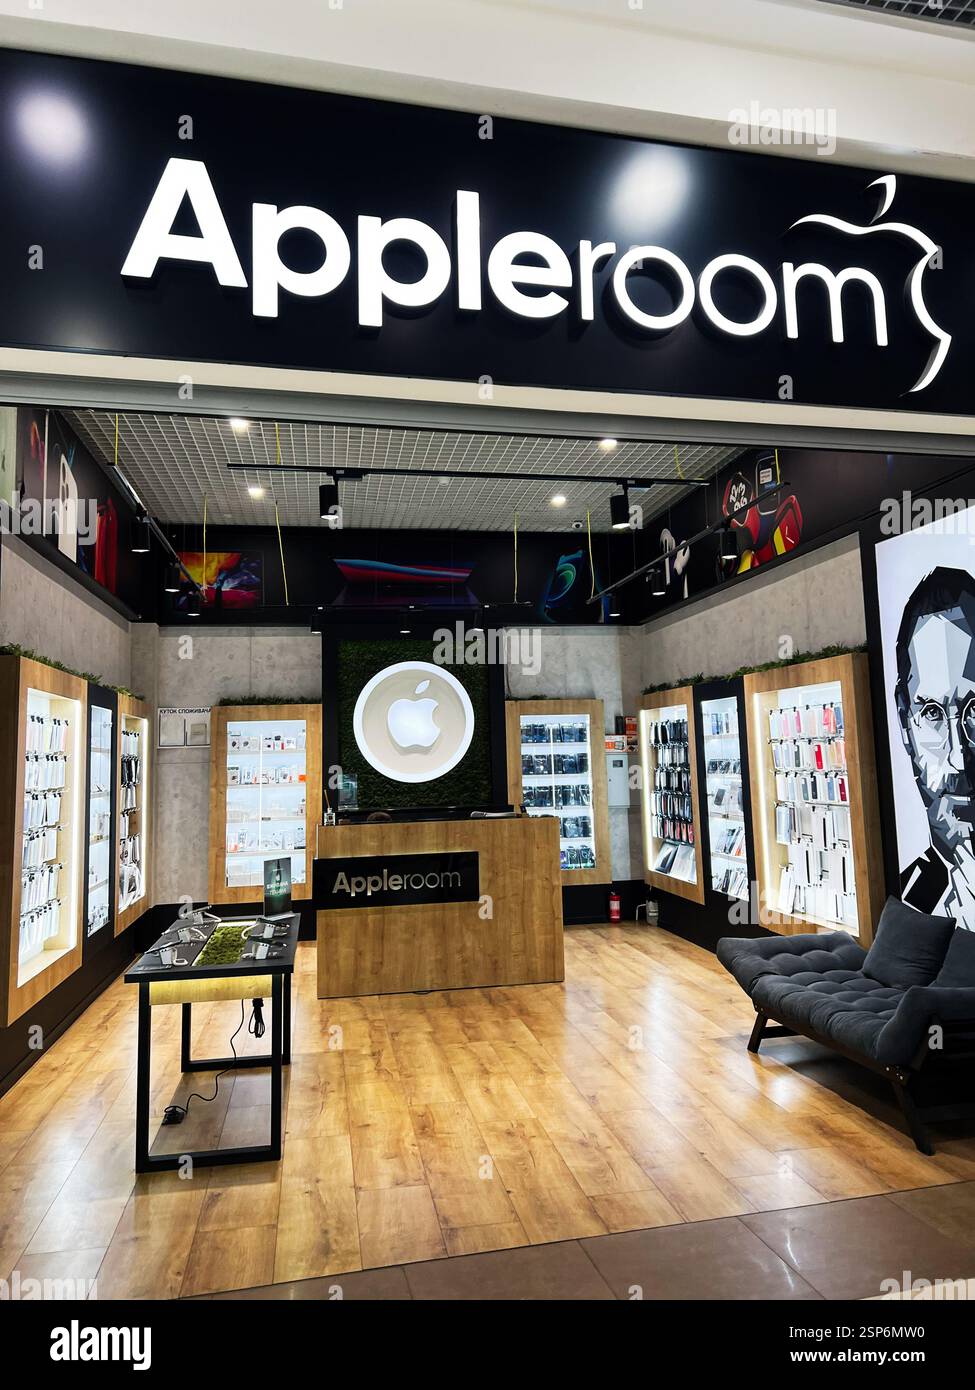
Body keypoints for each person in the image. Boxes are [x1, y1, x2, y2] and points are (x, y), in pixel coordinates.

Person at [895, 565, 975, 926]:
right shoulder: (912, 896)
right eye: (932, 713)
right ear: (904, 720)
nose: (959, 756)